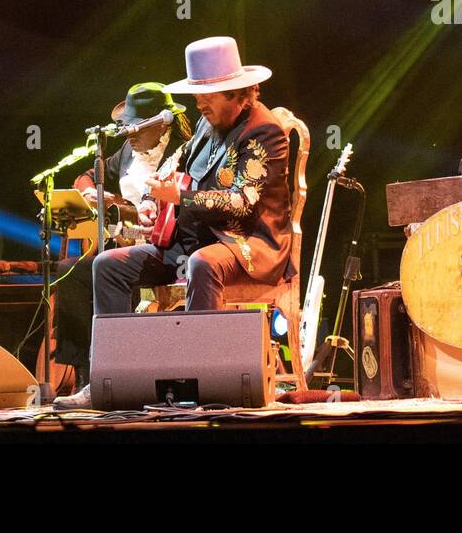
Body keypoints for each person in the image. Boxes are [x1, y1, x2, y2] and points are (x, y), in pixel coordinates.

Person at [57, 36, 293, 408]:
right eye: (197, 95)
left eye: (208, 95)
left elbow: (242, 203)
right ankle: (111, 379)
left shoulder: (265, 132)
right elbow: (176, 167)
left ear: (237, 93)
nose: (199, 103)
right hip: (192, 241)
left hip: (246, 245)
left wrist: (179, 199)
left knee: (203, 263)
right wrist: (153, 201)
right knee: (108, 265)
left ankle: (197, 382)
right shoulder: (205, 123)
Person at [51, 84, 190, 393]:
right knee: (70, 273)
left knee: (110, 268)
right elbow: (88, 174)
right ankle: (88, 373)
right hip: (127, 242)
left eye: (136, 126)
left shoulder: (185, 152)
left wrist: (142, 213)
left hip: (168, 250)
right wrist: (94, 191)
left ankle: (126, 373)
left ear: (162, 122)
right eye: (126, 127)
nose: (129, 133)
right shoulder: (128, 150)